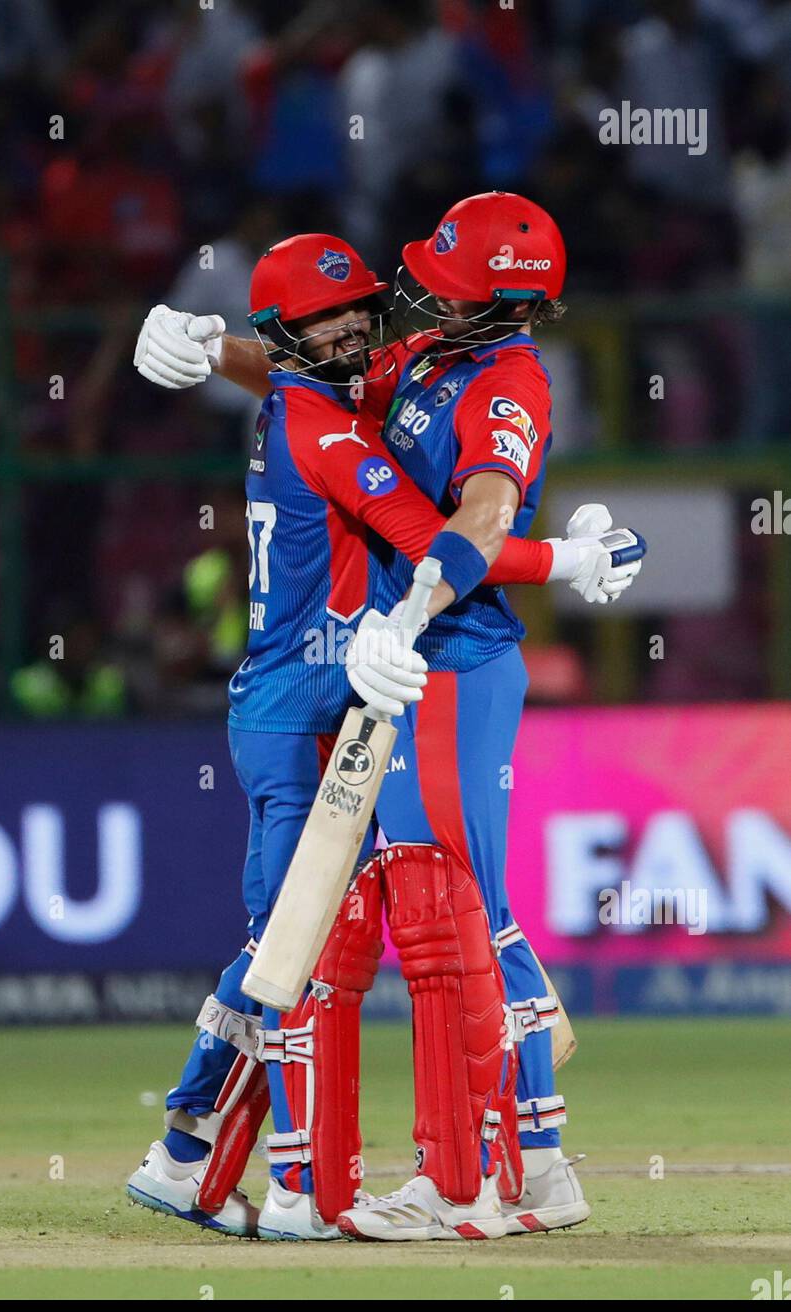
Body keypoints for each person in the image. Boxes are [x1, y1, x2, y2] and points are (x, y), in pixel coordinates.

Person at [131, 208, 644, 1239]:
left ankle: (493, 1174)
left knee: (451, 916)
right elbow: (316, 383)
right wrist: (208, 345)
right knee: (419, 918)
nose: (416, 300)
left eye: (448, 284)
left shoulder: (504, 382)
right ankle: (515, 1165)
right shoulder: (422, 357)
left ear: (500, 300)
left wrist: (426, 604)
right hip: (399, 671)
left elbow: (478, 517)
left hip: (440, 659)